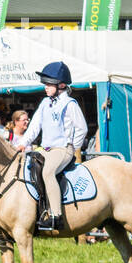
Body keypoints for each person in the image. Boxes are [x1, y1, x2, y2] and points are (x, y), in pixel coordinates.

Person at [18, 61, 87, 231]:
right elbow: (34, 126)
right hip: (45, 149)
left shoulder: (70, 104)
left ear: (61, 85)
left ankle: (57, 216)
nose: (45, 87)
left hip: (62, 149)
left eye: (49, 84)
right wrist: (22, 143)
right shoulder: (45, 103)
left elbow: (82, 128)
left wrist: (72, 147)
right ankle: (38, 211)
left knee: (48, 172)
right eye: (45, 84)